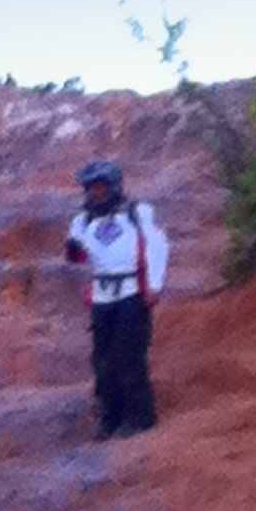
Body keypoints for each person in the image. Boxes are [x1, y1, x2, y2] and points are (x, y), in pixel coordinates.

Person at [65, 159, 169, 440]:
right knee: (102, 359)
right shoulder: (83, 220)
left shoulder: (137, 214)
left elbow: (158, 247)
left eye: (101, 188)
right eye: (92, 190)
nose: (96, 195)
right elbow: (78, 255)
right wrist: (73, 246)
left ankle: (140, 417)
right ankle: (111, 418)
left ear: (113, 187)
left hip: (131, 292)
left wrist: (155, 285)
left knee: (130, 355)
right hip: (102, 294)